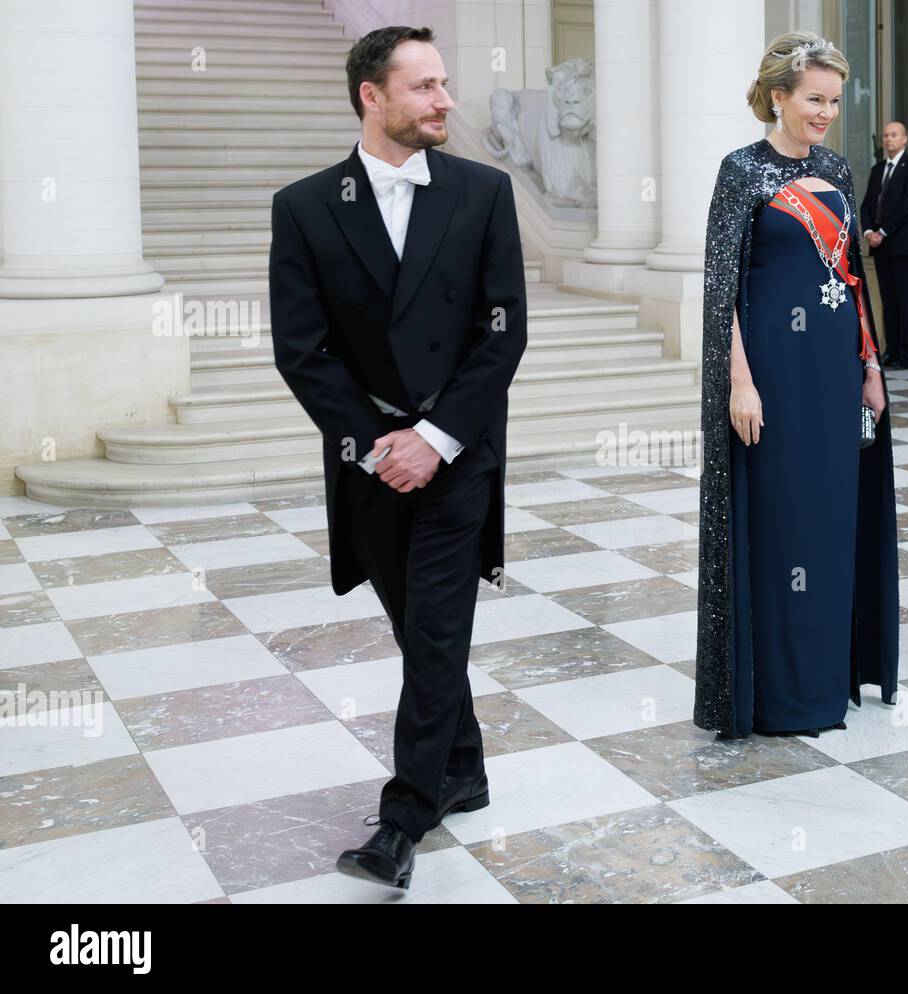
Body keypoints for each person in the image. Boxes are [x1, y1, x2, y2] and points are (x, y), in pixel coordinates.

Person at [268, 26, 527, 888]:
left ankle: (403, 817)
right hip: (369, 459)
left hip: (459, 452)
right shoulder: (303, 207)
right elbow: (303, 351)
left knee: (436, 626)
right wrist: (381, 447)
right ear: (371, 97)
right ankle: (464, 767)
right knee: (417, 627)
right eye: (423, 87)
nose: (444, 100)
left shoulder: (484, 193)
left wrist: (437, 438)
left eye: (444, 83)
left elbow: (502, 334)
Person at [695, 31, 900, 739]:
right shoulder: (741, 170)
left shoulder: (839, 170)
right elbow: (721, 291)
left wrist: (870, 367)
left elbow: (853, 277)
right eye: (814, 99)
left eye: (835, 101)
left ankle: (826, 680)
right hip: (775, 377)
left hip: (835, 374)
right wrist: (739, 384)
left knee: (831, 521)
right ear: (777, 95)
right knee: (782, 526)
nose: (825, 113)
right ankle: (779, 695)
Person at [861, 121, 908, 369]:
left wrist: (884, 231)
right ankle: (891, 350)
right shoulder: (877, 169)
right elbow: (867, 204)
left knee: (904, 299)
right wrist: (869, 231)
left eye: (893, 135)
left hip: (902, 244)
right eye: (886, 135)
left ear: (904, 139)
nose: (888, 139)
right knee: (888, 300)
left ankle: (907, 354)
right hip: (879, 245)